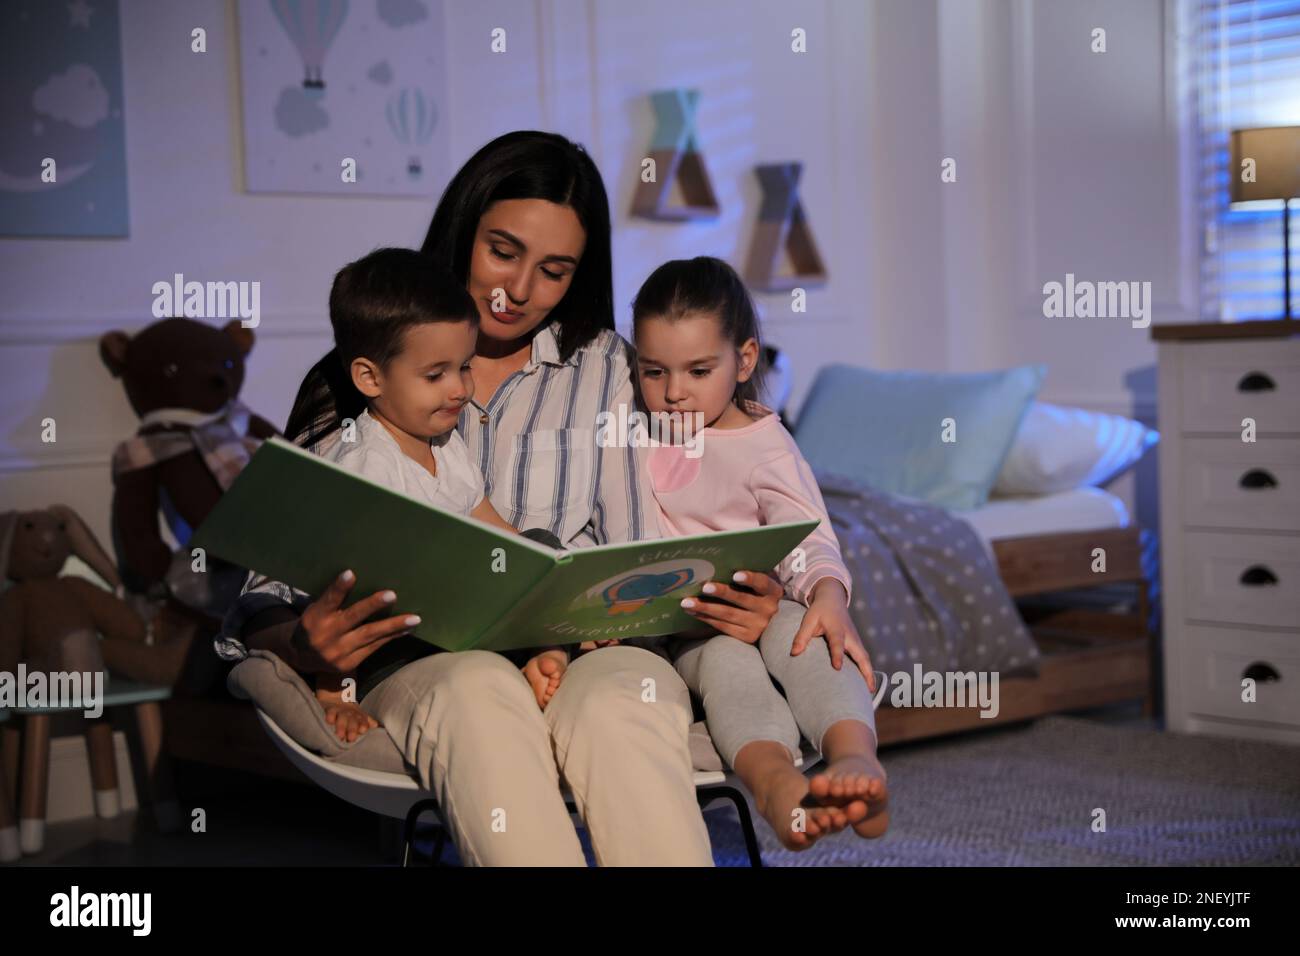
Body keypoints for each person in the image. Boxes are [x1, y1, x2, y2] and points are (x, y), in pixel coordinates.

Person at [219, 132, 785, 866]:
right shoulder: (361, 373)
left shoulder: (614, 371)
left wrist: (737, 589)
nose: (516, 290)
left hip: (591, 650)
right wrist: (302, 642)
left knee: (622, 706)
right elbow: (264, 586)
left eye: (553, 271)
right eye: (502, 251)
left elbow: (666, 531)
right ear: (462, 232)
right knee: (478, 690)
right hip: (422, 662)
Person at [632, 256, 888, 850]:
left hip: (766, 603)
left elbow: (808, 538)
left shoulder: (765, 444)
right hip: (690, 631)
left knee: (810, 638)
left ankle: (857, 760)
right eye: (653, 373)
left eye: (699, 370)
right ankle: (775, 783)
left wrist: (828, 593)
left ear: (744, 360)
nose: (673, 393)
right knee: (727, 666)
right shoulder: (634, 433)